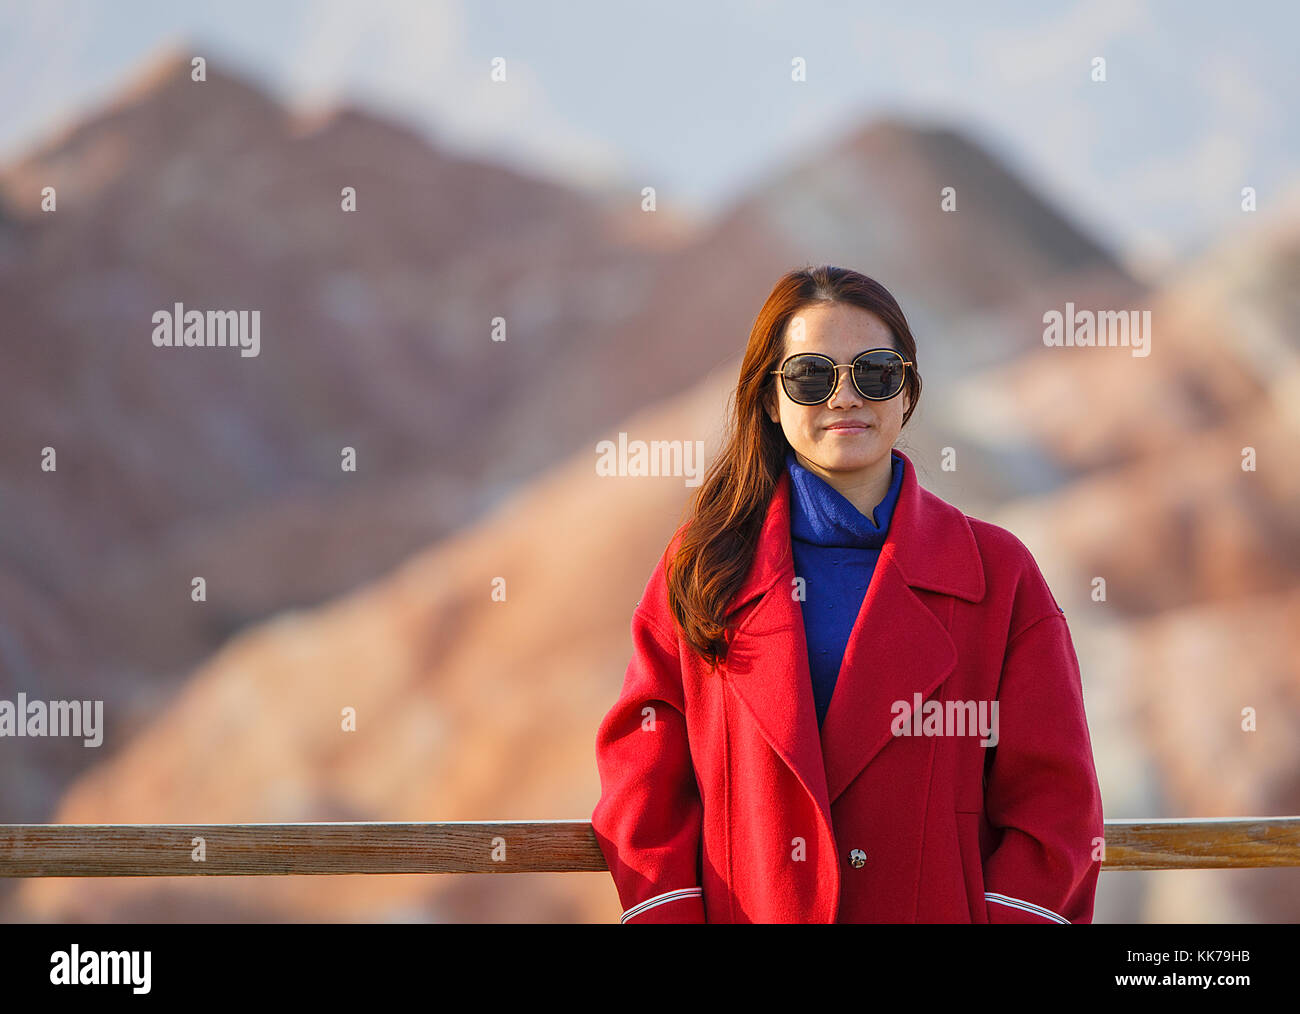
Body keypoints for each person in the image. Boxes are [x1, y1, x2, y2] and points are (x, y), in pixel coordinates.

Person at [591, 265, 1104, 923]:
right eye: (811, 375)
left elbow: (1056, 805)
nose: (844, 397)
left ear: (907, 394)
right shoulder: (704, 569)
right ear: (771, 400)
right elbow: (643, 780)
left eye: (875, 372)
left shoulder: (996, 575)